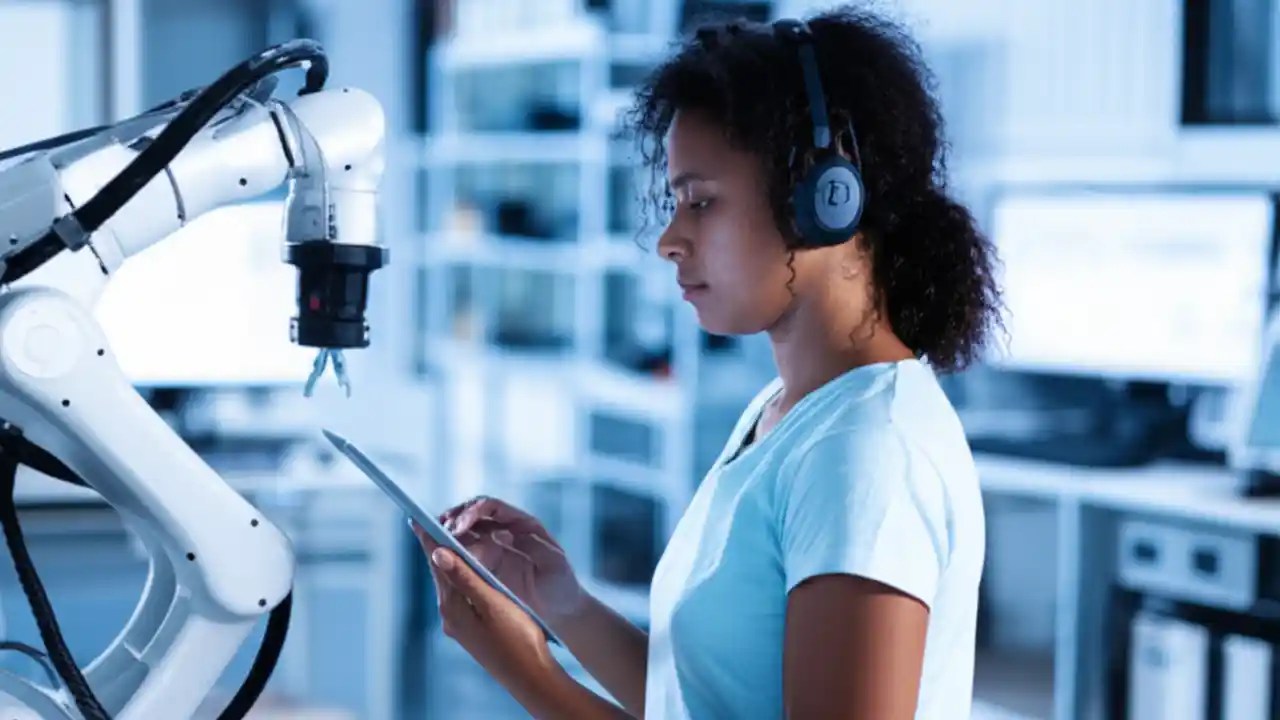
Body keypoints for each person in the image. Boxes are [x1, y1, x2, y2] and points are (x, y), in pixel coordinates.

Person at [413, 4, 1003, 718]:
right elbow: (700, 701)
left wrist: (531, 676)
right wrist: (559, 602)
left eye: (700, 202)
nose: (669, 237)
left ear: (826, 199)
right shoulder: (785, 411)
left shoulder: (865, 454)